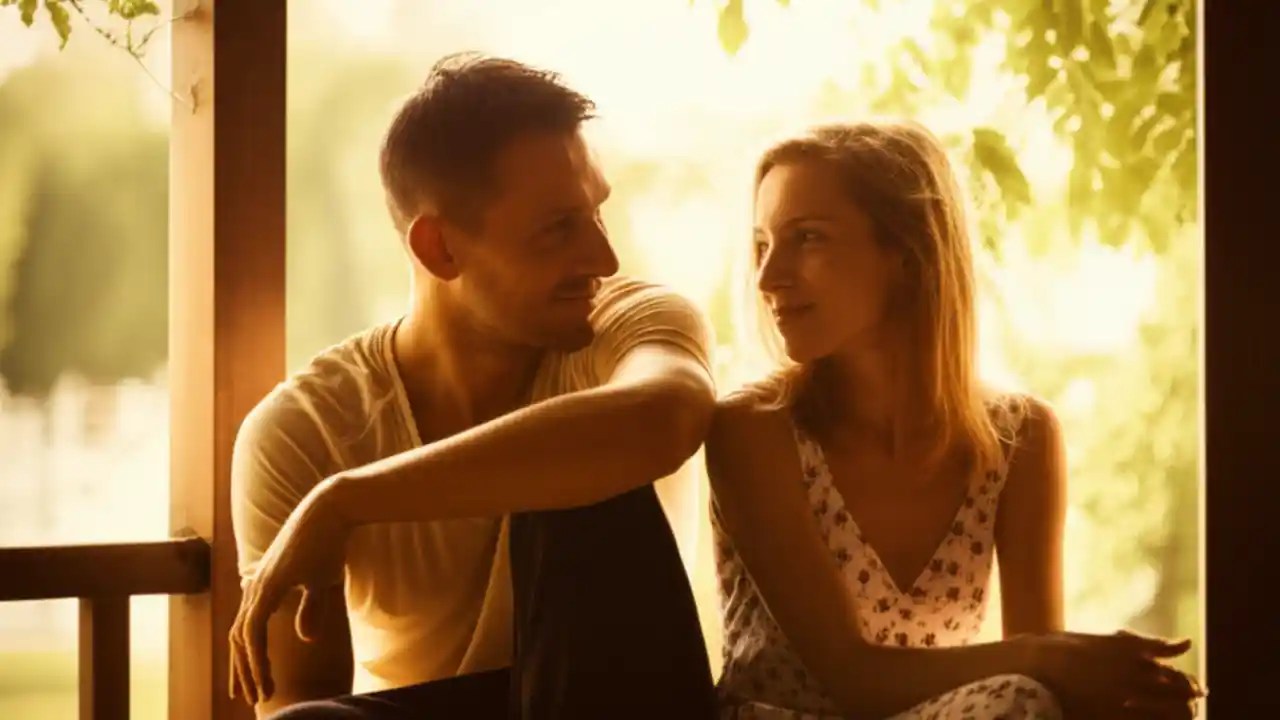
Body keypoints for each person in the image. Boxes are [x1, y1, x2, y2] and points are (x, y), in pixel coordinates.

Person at [227, 53, 719, 719]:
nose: (603, 259)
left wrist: (348, 503)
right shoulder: (303, 431)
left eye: (596, 214)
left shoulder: (630, 325)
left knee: (587, 480)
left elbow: (665, 416)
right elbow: (297, 704)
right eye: (558, 229)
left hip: (624, 703)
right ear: (440, 250)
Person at [705, 120, 1204, 719]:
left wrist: (1118, 688)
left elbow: (1043, 682)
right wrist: (1046, 657)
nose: (768, 277)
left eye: (806, 238)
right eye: (763, 244)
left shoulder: (1019, 440)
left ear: (908, 254)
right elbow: (849, 676)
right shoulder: (753, 431)